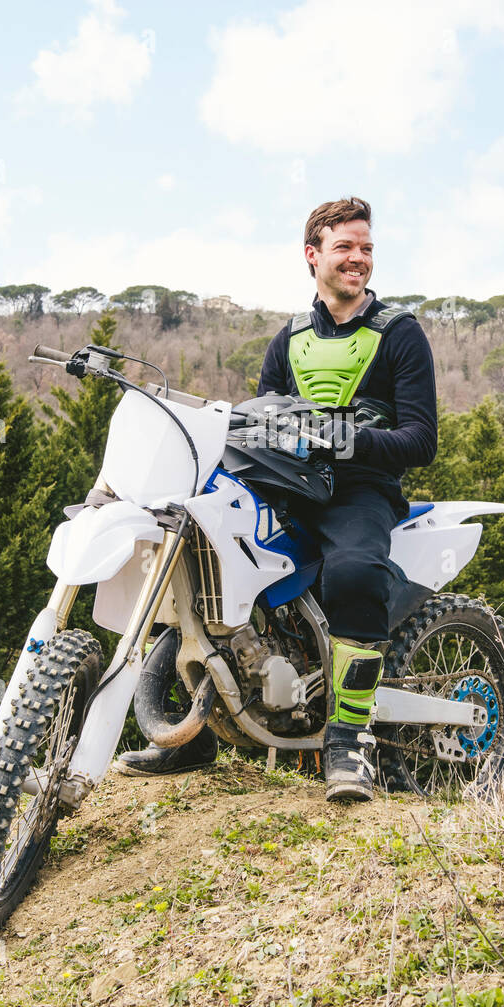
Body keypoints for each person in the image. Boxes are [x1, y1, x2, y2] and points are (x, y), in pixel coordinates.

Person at [117, 196, 438, 799]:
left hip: (363, 491)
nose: (358, 259)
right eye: (344, 247)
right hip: (289, 487)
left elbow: (421, 440)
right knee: (205, 551)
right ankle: (197, 733)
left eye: (366, 248)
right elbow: (266, 418)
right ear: (313, 255)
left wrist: (349, 440)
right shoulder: (287, 340)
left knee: (353, 572)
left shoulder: (400, 335)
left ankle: (348, 741)